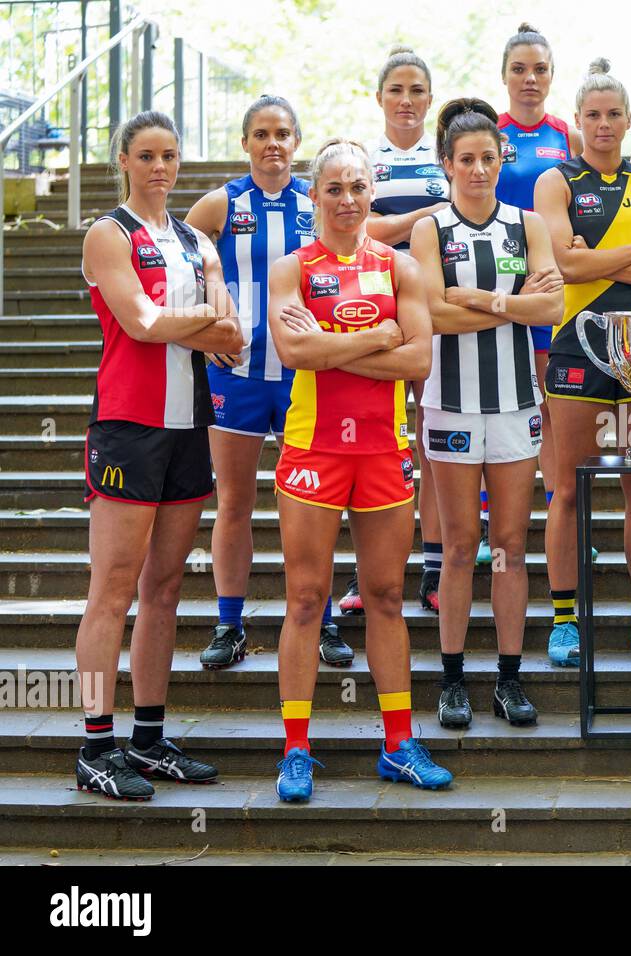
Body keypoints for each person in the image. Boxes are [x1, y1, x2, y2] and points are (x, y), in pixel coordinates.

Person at [266, 139, 447, 802]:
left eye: (357, 188)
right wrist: (376, 338)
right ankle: (295, 748)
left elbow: (419, 362)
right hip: (312, 451)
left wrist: (330, 348)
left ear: (372, 194)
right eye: (334, 189)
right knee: (307, 598)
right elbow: (293, 350)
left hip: (380, 450)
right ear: (314, 197)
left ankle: (398, 744)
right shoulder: (292, 267)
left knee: (387, 597)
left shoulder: (399, 269)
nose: (347, 200)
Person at [75, 110, 242, 798]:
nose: (160, 167)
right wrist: (201, 322)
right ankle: (93, 744)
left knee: (165, 589)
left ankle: (147, 740)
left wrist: (196, 324)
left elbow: (231, 334)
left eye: (169, 155)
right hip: (127, 425)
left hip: (187, 426)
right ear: (124, 161)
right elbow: (139, 324)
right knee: (111, 589)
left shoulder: (197, 239)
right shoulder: (106, 234)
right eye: (146, 155)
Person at [411, 98, 564, 728]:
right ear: (447, 164)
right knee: (457, 546)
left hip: (514, 407)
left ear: (503, 159)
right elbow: (431, 316)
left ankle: (508, 677)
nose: (479, 169)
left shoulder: (527, 225)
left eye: (489, 158)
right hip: (450, 402)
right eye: (466, 159)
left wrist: (476, 297)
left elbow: (551, 310)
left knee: (507, 545)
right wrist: (512, 303)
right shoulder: (430, 229)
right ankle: (451, 679)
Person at [185, 96, 352, 668]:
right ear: (246, 143)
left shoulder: (319, 204)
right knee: (232, 502)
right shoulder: (222, 203)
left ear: (297, 142)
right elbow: (177, 256)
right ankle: (229, 625)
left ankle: (324, 621)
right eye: (261, 134)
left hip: (304, 374)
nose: (272, 143)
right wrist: (206, 324)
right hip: (239, 373)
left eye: (282, 133)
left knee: (317, 503)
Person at [534, 59, 631, 666]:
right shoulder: (557, 182)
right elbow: (563, 266)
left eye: (613, 114)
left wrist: (596, 254)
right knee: (568, 488)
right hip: (576, 345)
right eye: (592, 114)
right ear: (577, 121)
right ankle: (565, 621)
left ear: (628, 120)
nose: (603, 123)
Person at [338, 45, 452, 616]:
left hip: (435, 312)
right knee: (378, 442)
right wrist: (420, 219)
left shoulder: (449, 155)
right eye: (395, 91)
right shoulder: (364, 159)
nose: (406, 101)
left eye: (416, 91)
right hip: (372, 310)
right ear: (379, 97)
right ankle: (367, 575)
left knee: (430, 443)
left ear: (431, 99)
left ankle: (434, 570)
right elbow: (361, 225)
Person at [496, 22, 582, 520]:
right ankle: (491, 525)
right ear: (505, 75)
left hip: (550, 283)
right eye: (519, 69)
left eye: (540, 69)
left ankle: (559, 517)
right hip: (496, 280)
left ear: (552, 76)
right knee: (498, 402)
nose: (530, 78)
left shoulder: (566, 135)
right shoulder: (492, 132)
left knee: (551, 406)